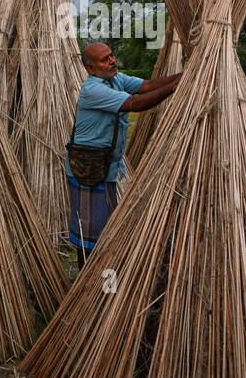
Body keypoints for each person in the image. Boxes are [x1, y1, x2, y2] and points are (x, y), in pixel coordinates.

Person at [65, 41, 181, 266]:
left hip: (105, 168)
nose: (112, 61)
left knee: (102, 225)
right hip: (87, 170)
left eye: (111, 56)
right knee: (88, 232)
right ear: (90, 69)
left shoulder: (115, 79)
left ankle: (99, 271)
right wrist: (174, 87)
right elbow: (135, 103)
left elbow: (146, 86)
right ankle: (86, 280)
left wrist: (183, 75)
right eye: (104, 59)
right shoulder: (93, 89)